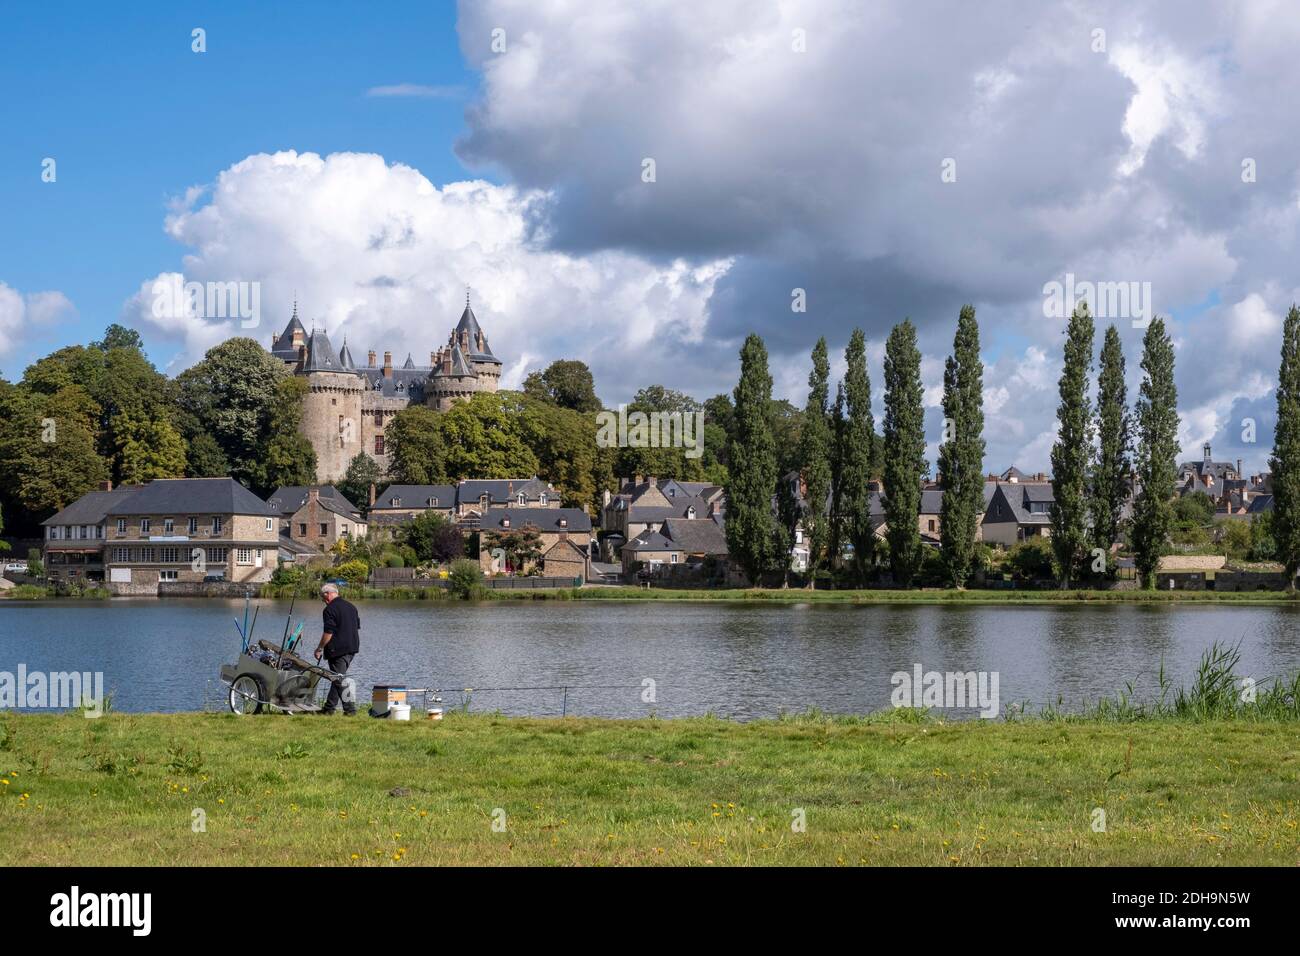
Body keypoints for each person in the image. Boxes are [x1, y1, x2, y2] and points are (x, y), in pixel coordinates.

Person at [314, 583, 360, 715]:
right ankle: (329, 709)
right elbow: (356, 627)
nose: (323, 600)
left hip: (337, 649)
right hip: (352, 647)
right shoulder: (351, 607)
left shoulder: (330, 609)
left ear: (327, 594)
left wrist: (319, 648)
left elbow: (329, 632)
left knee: (339, 680)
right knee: (336, 678)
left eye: (322, 597)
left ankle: (350, 710)